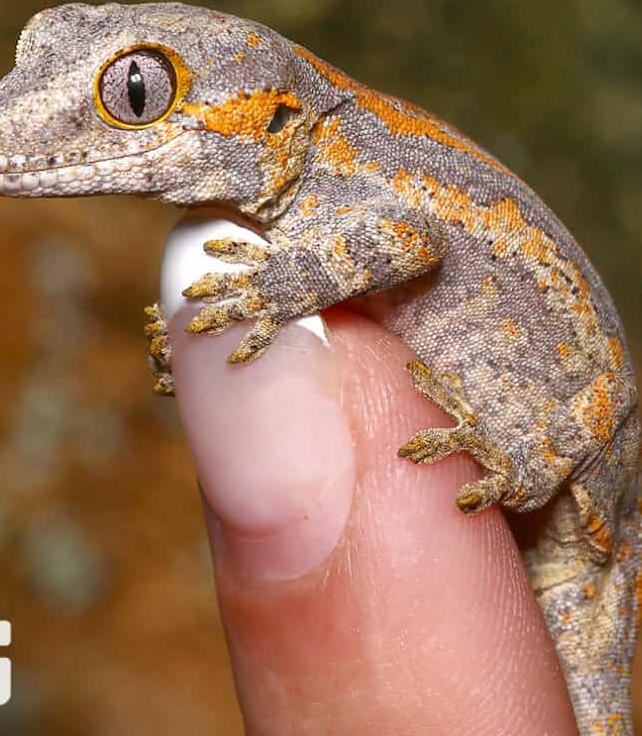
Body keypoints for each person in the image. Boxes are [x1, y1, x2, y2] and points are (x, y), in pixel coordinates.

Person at [163, 221, 580, 735]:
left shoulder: (349, 185)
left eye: (130, 130)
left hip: (573, 463)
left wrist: (280, 289)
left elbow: (411, 242)